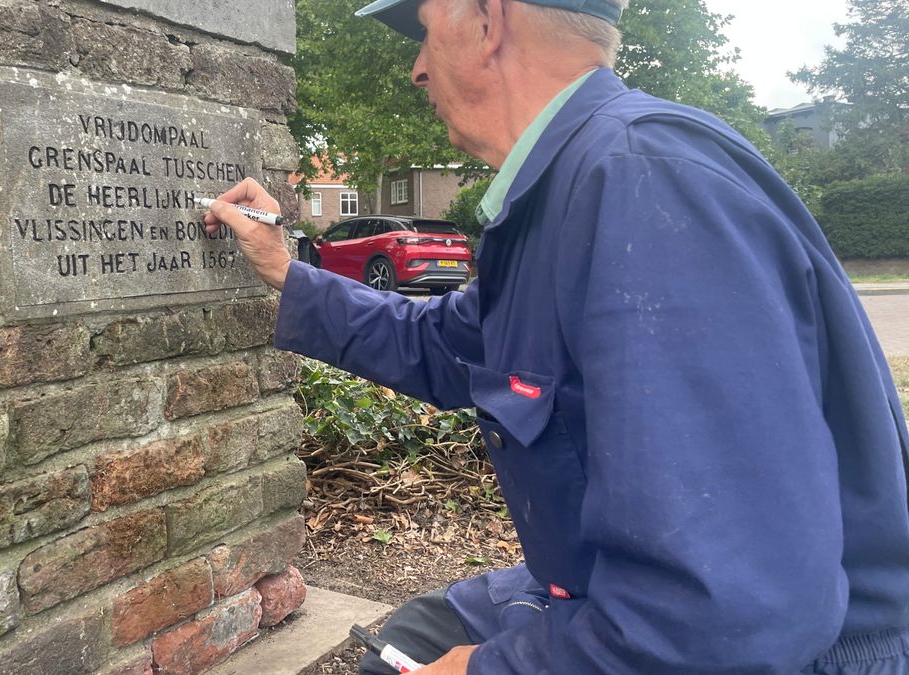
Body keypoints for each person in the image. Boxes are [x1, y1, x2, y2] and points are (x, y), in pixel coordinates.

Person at [201, 0, 909, 672]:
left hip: (786, 651)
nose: (417, 68)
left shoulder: (640, 187)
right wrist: (286, 270)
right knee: (419, 632)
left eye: (424, 27)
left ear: (486, 21)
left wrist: (491, 666)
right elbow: (444, 345)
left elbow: (721, 617)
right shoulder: (565, 191)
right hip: (632, 600)